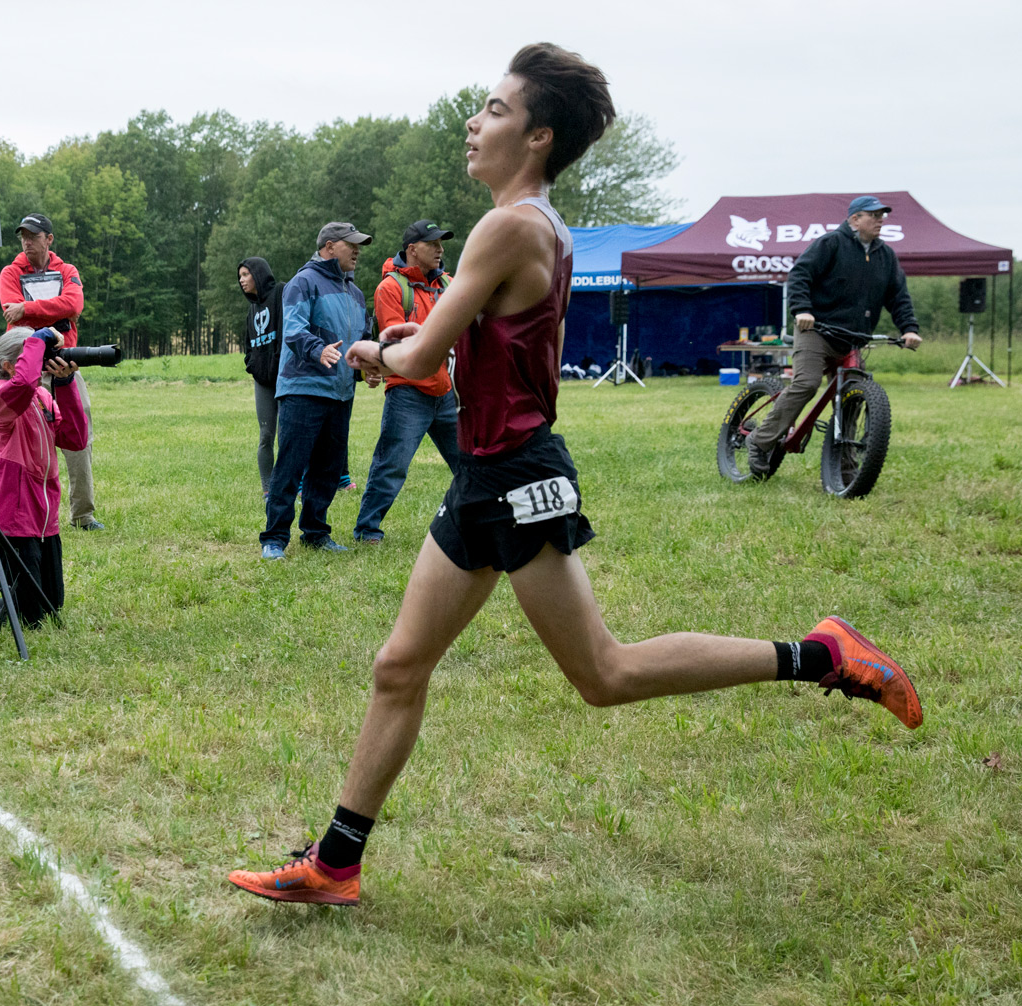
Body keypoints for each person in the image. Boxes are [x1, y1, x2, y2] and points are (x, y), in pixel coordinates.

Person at [225, 43, 923, 909]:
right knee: (400, 664)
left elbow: (425, 353)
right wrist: (394, 351)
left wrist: (371, 350)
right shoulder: (532, 225)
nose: (473, 123)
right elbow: (440, 350)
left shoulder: (513, 225)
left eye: (493, 109)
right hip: (484, 471)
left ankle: (820, 654)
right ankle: (335, 863)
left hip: (514, 474)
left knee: (605, 674)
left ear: (539, 135)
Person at [747, 196, 922, 477]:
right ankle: (760, 440)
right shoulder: (830, 244)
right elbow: (801, 276)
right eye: (873, 216)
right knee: (806, 384)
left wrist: (909, 328)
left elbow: (898, 296)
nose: (880, 221)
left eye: (882, 216)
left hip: (853, 338)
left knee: (850, 399)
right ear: (855, 219)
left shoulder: (885, 255)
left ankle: (845, 467)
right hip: (816, 330)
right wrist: (802, 310)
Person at [257, 222, 374, 560]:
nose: (356, 251)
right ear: (329, 246)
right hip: (303, 389)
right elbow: (293, 330)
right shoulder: (302, 283)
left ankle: (315, 532)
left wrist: (369, 367)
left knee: (328, 467)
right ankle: (274, 538)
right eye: (350, 244)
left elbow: (361, 340)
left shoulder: (355, 293)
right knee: (291, 466)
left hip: (340, 393)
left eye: (358, 245)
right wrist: (317, 349)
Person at [353, 220, 465, 544]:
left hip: (446, 392)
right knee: (391, 465)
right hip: (407, 392)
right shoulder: (390, 289)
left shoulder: (448, 284)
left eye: (442, 244)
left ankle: (487, 517)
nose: (441, 250)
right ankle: (367, 530)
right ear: (413, 249)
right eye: (434, 244)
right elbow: (397, 348)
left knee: (469, 460)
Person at [0, 327, 90, 626]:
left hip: (44, 518)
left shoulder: (41, 396)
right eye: (37, 358)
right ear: (10, 365)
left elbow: (74, 439)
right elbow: (22, 383)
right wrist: (37, 339)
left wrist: (64, 384)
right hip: (14, 520)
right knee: (29, 616)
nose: (42, 367)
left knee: (52, 608)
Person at [0, 213, 102, 531]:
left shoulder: (67, 270)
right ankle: (28, 513)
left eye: (33, 235)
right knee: (25, 440)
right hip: (26, 367)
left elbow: (73, 304)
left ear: (49, 239)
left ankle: (83, 514)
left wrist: (29, 309)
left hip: (65, 364)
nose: (27, 241)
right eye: (23, 237)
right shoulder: (10, 272)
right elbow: (10, 313)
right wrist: (51, 312)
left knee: (79, 435)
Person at [238, 257, 284, 496]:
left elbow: (288, 332)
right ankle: (268, 490)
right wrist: (252, 365)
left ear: (258, 273)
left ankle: (292, 487)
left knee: (289, 436)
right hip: (262, 382)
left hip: (286, 378)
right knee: (266, 435)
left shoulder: (281, 293)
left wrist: (279, 365)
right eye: (240, 276)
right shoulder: (251, 309)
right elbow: (249, 345)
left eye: (245, 274)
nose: (241, 280)